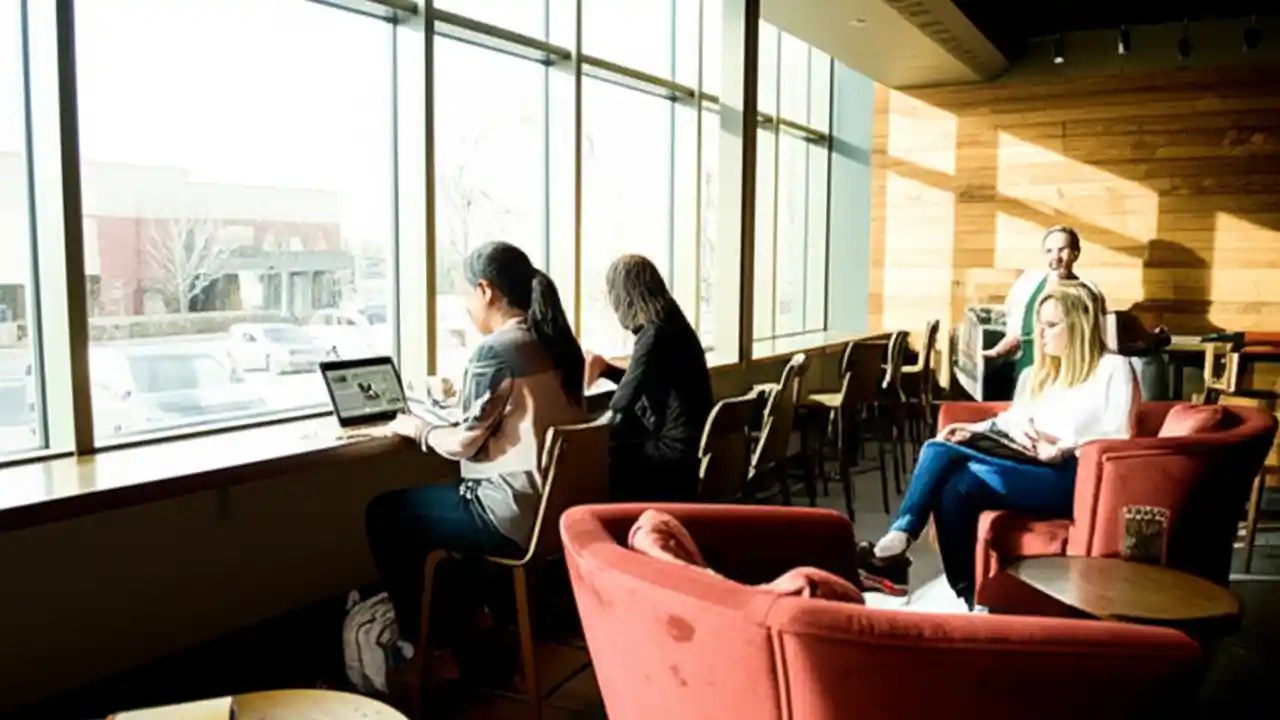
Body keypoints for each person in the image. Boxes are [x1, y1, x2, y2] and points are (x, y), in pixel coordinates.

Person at [365, 241, 585, 652]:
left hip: (512, 516)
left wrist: (418, 429)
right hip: (556, 512)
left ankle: (420, 648)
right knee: (422, 519)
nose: (466, 306)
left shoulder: (497, 350)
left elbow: (465, 443)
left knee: (385, 514)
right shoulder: (556, 343)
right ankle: (474, 628)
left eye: (467, 294)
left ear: (485, 291)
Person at [873, 283, 1135, 607]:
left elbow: (1119, 435)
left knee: (945, 461)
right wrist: (973, 429)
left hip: (1070, 475)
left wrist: (1064, 447)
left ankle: (904, 533)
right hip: (1025, 459)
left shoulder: (1113, 369)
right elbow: (1011, 420)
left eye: (1051, 325)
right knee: (952, 473)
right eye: (1039, 324)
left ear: (1080, 326)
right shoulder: (1039, 374)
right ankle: (971, 596)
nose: (1040, 334)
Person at [584, 254, 713, 502]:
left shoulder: (654, 333)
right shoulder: (672, 322)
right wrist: (606, 368)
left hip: (672, 456)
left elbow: (623, 402)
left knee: (600, 461)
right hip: (689, 448)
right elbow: (642, 376)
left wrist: (588, 433)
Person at [985, 226, 1106, 382]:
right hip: (1030, 373)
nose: (1055, 257)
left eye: (1062, 250)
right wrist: (996, 352)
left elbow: (1096, 342)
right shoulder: (1028, 286)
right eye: (1049, 251)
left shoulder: (1088, 294)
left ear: (1075, 254)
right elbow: (1015, 333)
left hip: (1070, 377)